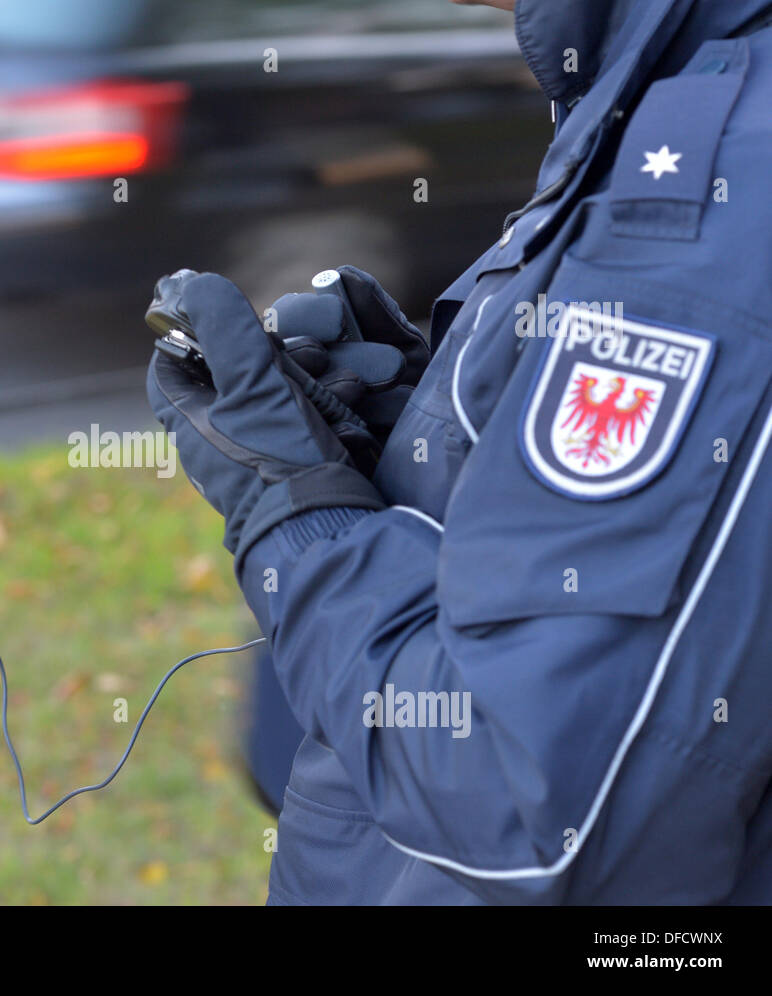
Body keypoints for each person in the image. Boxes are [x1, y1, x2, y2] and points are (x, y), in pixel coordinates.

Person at [146, 0, 772, 904]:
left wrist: (295, 511)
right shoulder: (666, 85)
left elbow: (542, 819)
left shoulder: (726, 171)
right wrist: (430, 452)